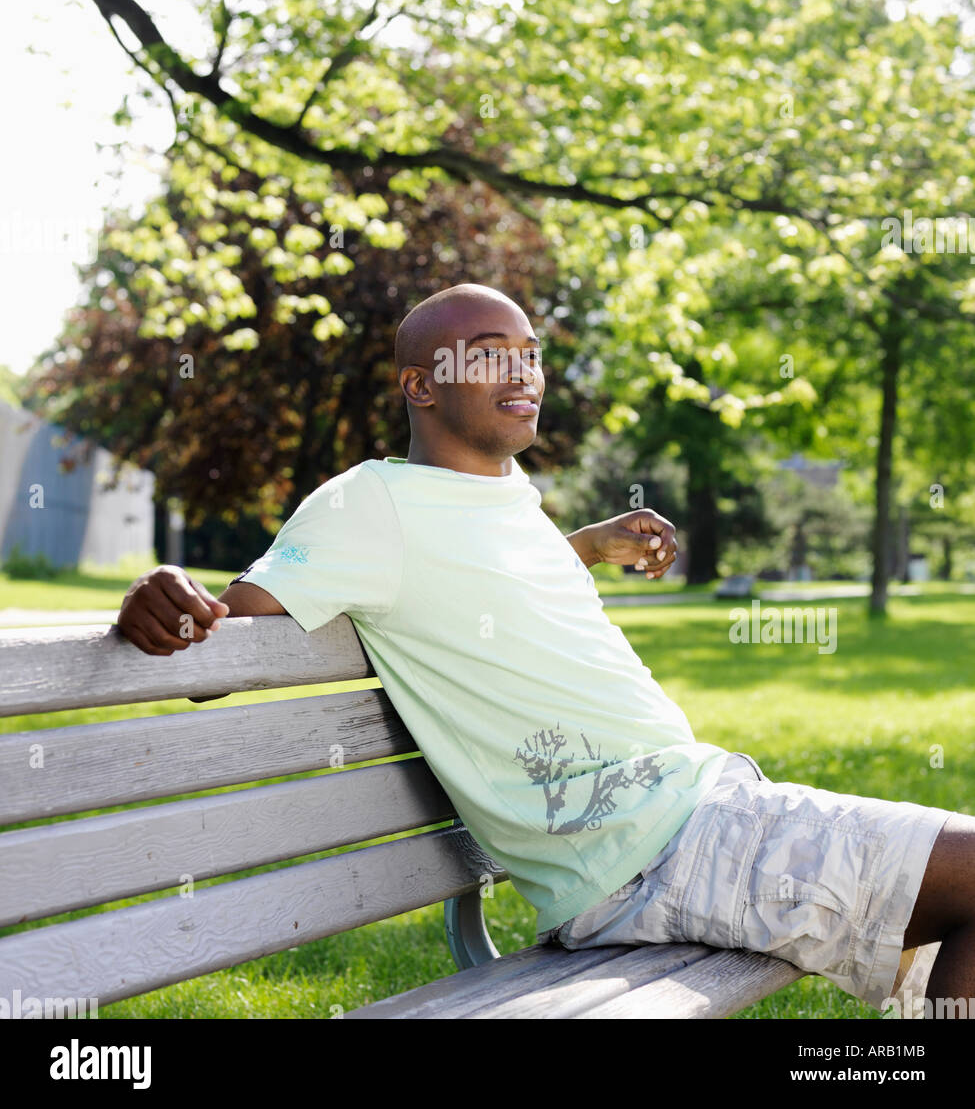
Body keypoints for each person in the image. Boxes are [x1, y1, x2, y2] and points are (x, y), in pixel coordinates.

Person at [118, 282, 975, 1016]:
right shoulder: (369, 503)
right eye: (490, 354)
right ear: (421, 385)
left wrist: (586, 545)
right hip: (655, 851)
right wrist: (165, 589)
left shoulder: (502, 497)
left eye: (530, 353)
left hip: (697, 813)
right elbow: (219, 638)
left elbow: (472, 585)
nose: (523, 370)